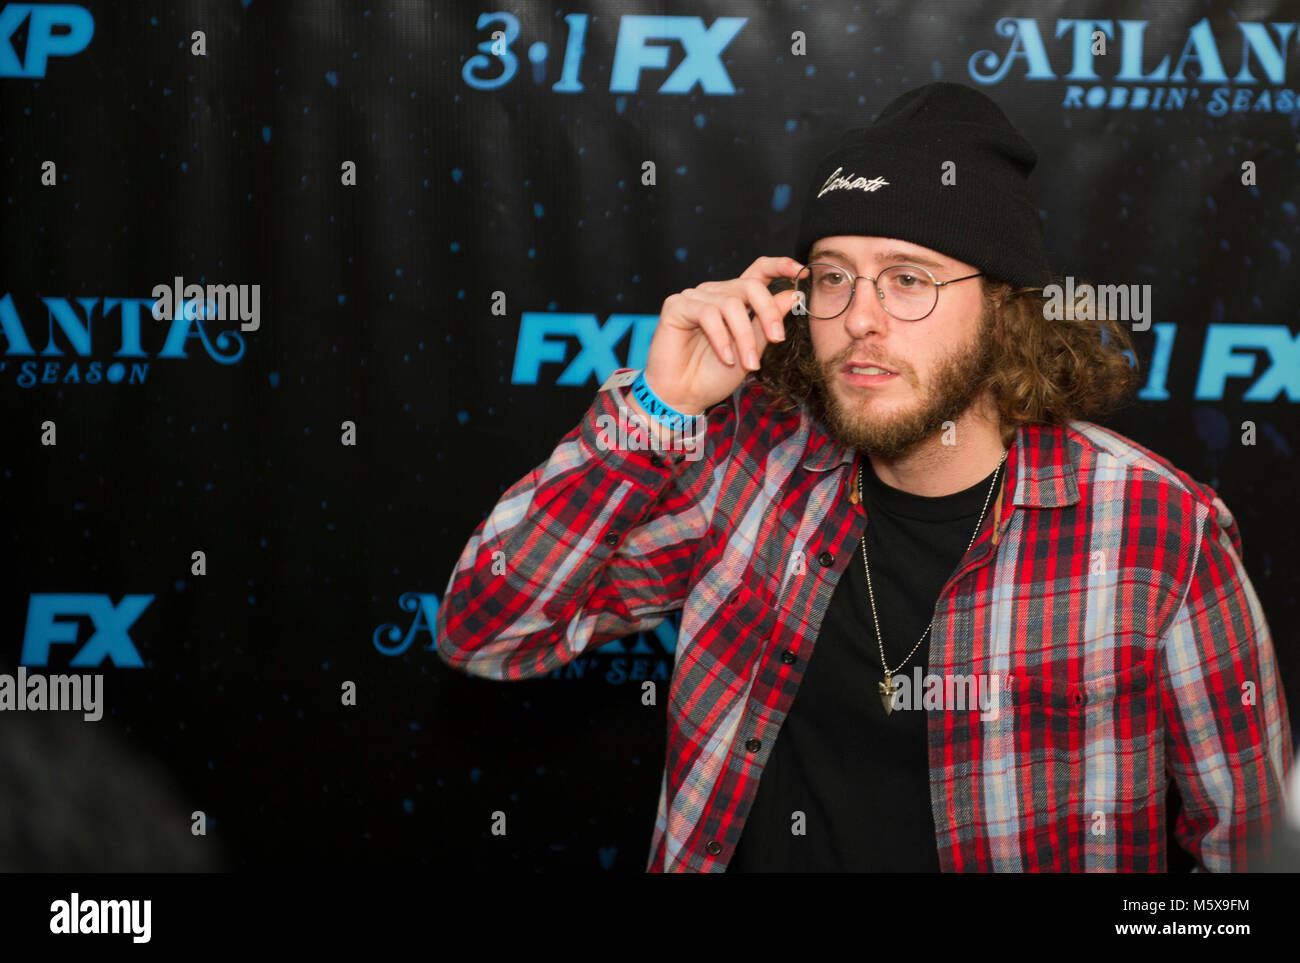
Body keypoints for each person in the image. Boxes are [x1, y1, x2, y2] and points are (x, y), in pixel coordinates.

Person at [435, 82, 1293, 872]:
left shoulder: (1155, 531)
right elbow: (484, 631)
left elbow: (1257, 853)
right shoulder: (746, 470)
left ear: (1002, 312)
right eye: (834, 277)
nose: (859, 319)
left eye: (908, 279)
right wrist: (656, 411)